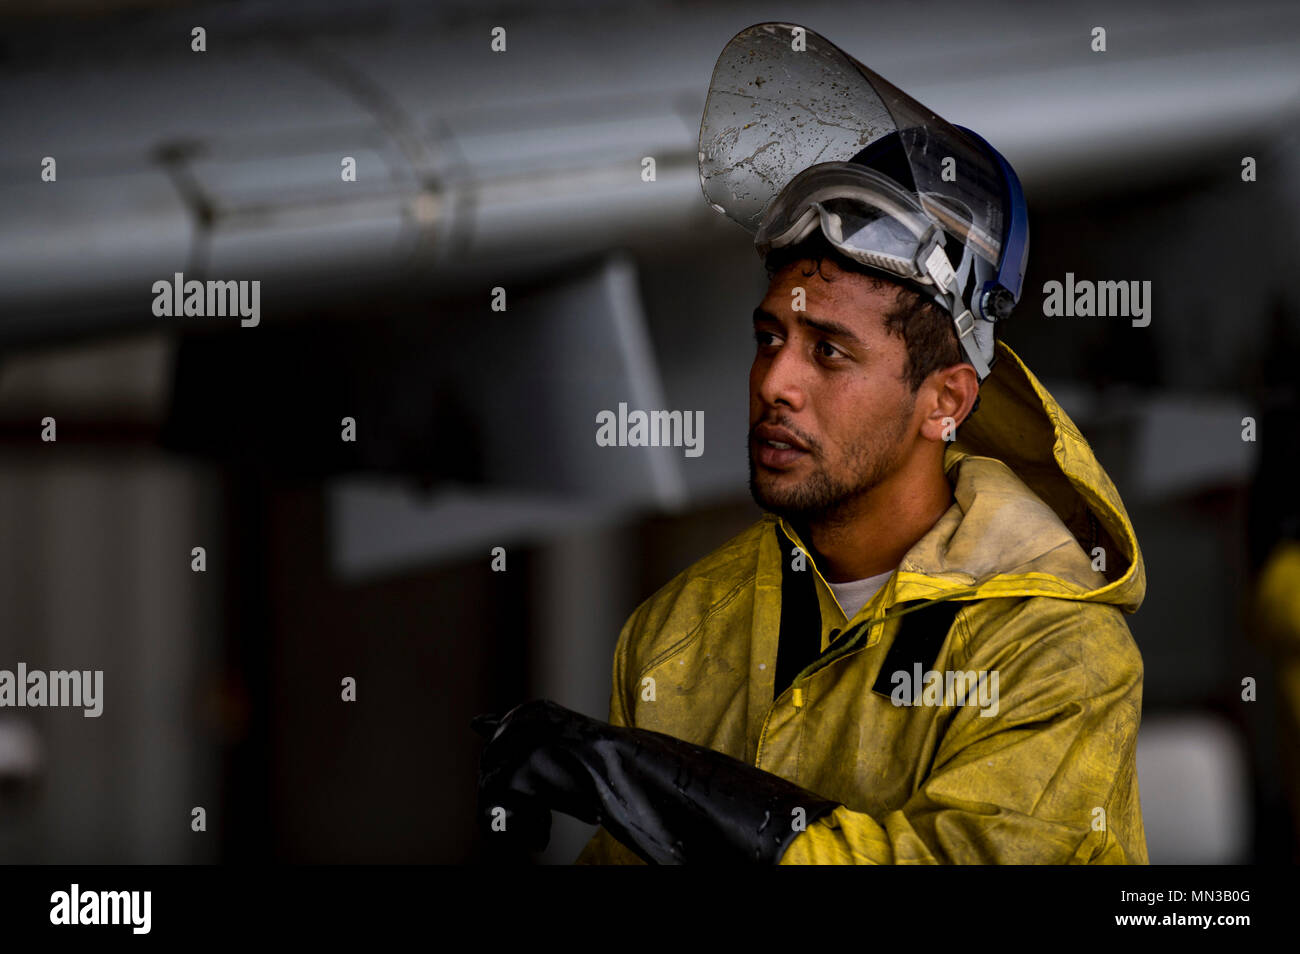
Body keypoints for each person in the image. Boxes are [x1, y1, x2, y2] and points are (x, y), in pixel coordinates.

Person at [474, 22, 1148, 865]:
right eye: (769, 339)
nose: (775, 384)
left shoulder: (1055, 651)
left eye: (829, 351)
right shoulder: (679, 632)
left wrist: (668, 794)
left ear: (945, 401)